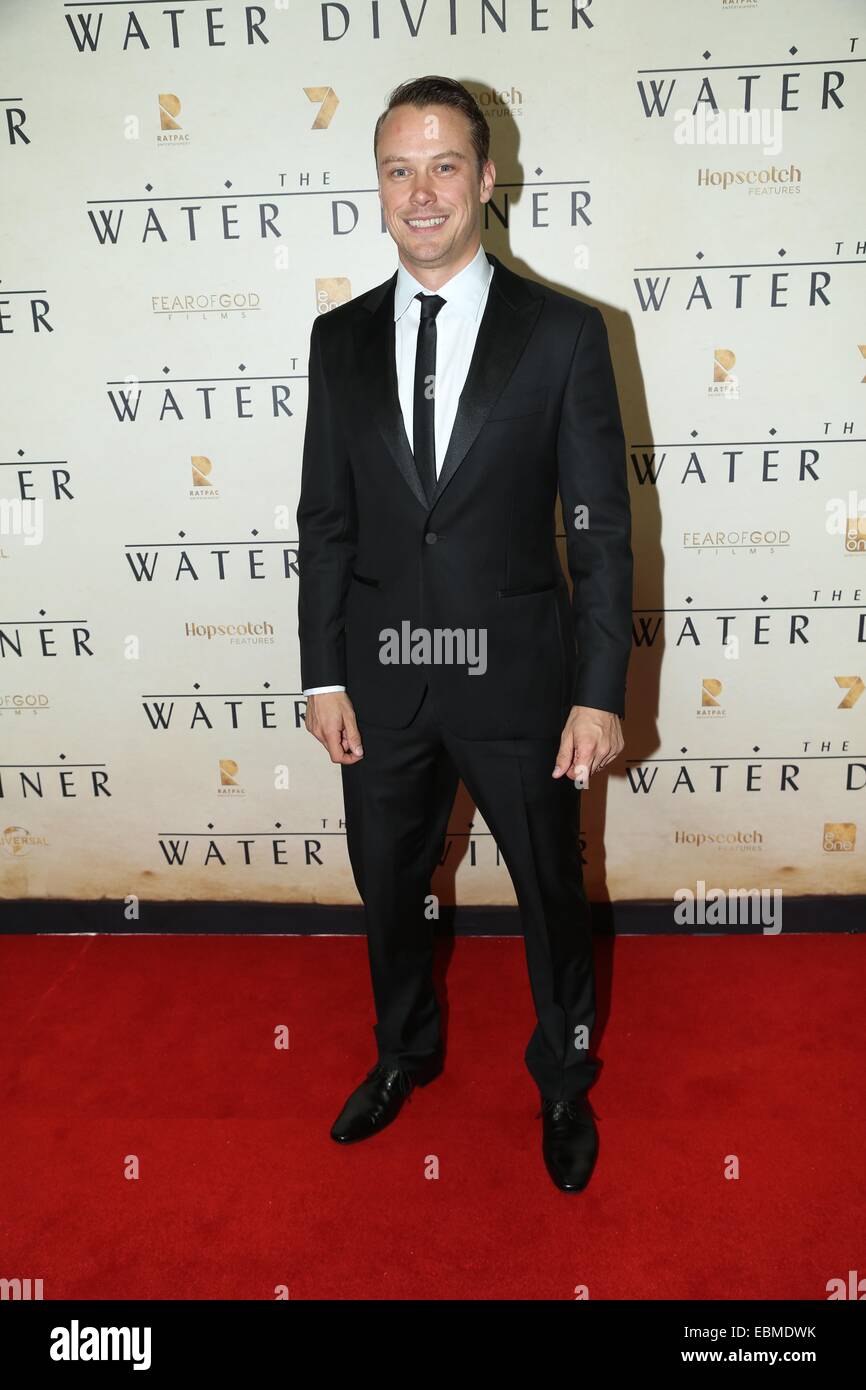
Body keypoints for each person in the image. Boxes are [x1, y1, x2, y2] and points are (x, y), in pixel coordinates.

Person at [296, 75, 633, 1192]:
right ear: (378, 187)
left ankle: (564, 1076)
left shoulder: (565, 335)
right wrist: (321, 674)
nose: (421, 191)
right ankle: (404, 1053)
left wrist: (595, 691)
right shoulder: (336, 340)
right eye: (399, 168)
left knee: (550, 890)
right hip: (383, 685)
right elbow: (326, 522)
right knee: (386, 888)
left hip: (521, 684)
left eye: (445, 165)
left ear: (489, 180)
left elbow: (598, 531)